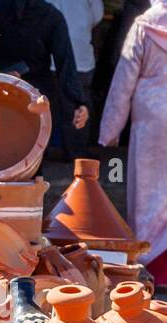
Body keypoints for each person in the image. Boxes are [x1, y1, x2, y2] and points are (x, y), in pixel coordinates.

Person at [99, 1, 167, 284]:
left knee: (147, 193)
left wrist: (109, 131)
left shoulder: (143, 25)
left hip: (150, 119)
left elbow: (124, 79)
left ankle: (148, 261)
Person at [0, 0, 89, 149]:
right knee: (33, 158)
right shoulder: (51, 15)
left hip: (0, 94)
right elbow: (65, 64)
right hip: (35, 98)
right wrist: (78, 102)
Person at [48, 0, 105, 154]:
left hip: (52, 58)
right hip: (81, 57)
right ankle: (76, 152)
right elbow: (97, 16)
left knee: (50, 105)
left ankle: (50, 150)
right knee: (80, 104)